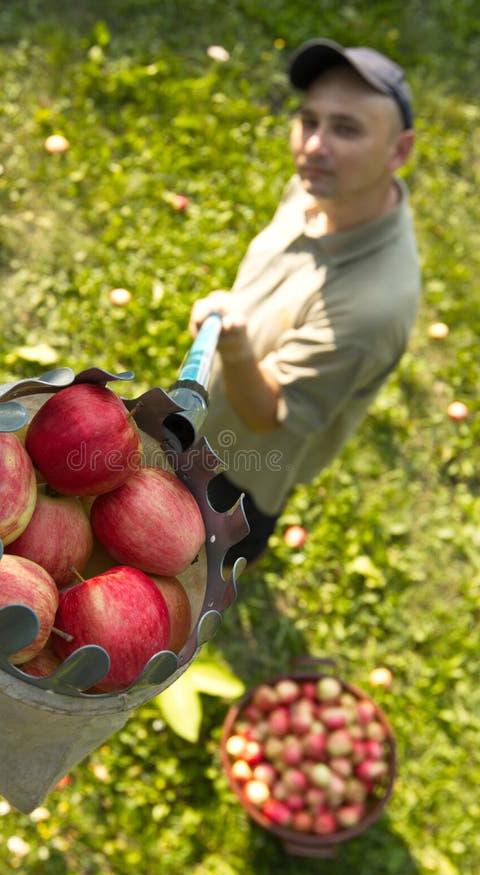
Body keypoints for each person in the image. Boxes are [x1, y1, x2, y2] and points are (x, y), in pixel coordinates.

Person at [189, 38, 421, 566]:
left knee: (191, 581)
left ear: (399, 151)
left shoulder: (369, 308)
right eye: (309, 119)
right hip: (206, 420)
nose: (314, 146)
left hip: (238, 474)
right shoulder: (322, 187)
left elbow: (266, 414)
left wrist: (237, 345)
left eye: (346, 129)